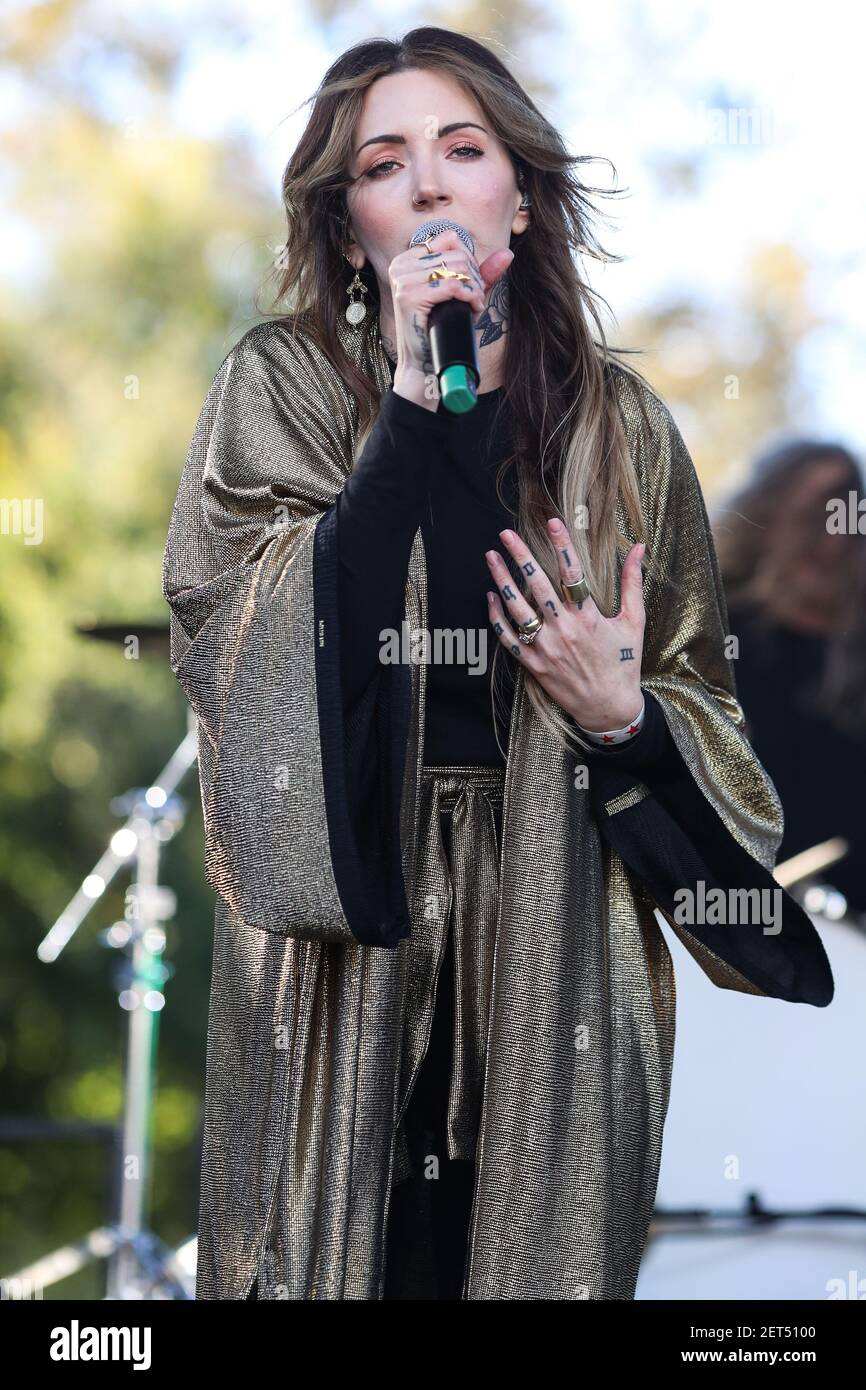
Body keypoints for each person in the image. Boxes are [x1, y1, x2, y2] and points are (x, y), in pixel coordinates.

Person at [161, 26, 833, 1302]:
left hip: (553, 920)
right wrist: (415, 407)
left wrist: (625, 716)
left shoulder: (621, 426)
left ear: (516, 198)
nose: (424, 182)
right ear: (347, 220)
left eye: (461, 149)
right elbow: (247, 638)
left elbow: (701, 705)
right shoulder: (278, 383)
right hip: (353, 939)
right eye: (383, 161)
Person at [712, 440, 866, 914]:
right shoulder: (701, 627)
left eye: (851, 516)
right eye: (818, 514)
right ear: (768, 513)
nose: (833, 540)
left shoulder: (854, 661)